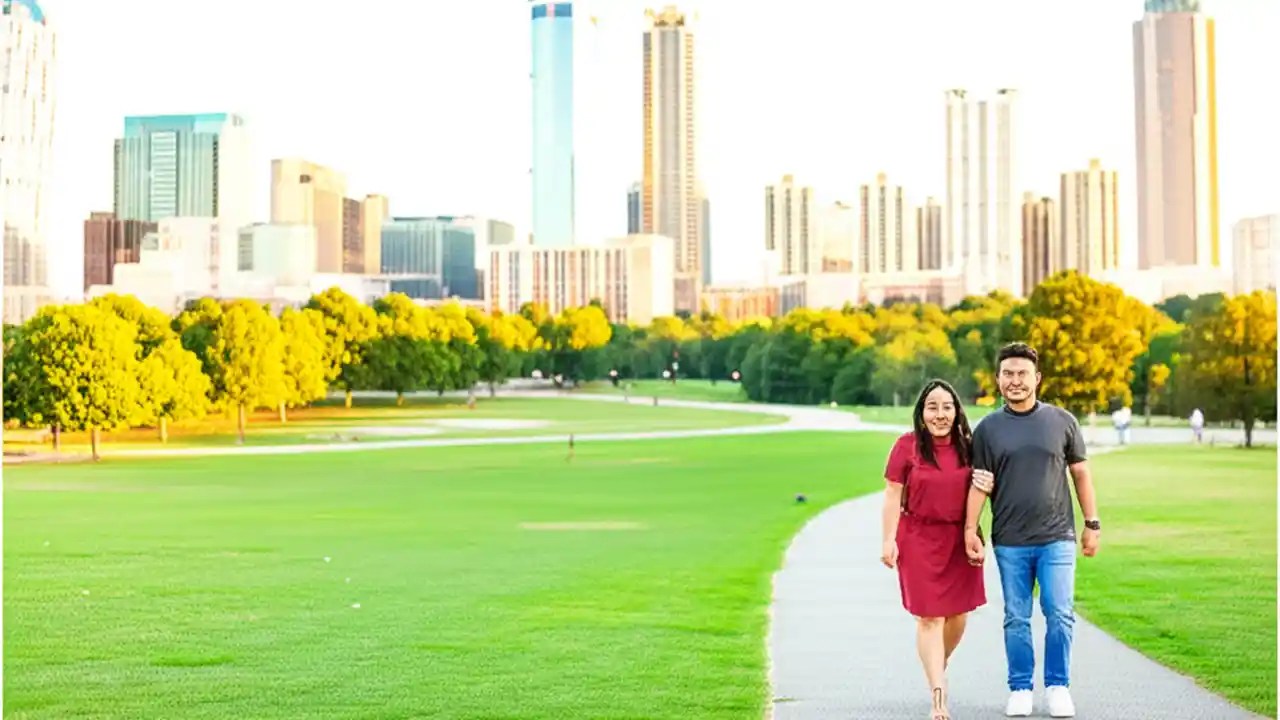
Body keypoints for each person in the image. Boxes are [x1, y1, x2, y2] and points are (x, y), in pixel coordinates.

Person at [964, 343, 1100, 718]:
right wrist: (969, 530)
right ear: (998, 379)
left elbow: (1081, 475)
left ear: (1037, 378)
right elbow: (979, 483)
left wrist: (1092, 523)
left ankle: (1058, 686)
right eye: (1008, 373)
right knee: (1016, 617)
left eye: (1022, 373)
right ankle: (1020, 688)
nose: (1015, 380)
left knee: (1060, 612)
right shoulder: (988, 429)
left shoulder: (1062, 422)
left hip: (1057, 538)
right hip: (1009, 541)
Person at [881, 379, 993, 720]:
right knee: (930, 617)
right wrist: (888, 539)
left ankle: (936, 665)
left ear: (957, 411)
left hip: (960, 539)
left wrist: (974, 528)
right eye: (933, 407)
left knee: (958, 615)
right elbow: (891, 494)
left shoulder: (969, 447)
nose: (940, 414)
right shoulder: (907, 446)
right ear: (922, 412)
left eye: (947, 407)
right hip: (917, 538)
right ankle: (938, 694)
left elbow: (982, 488)